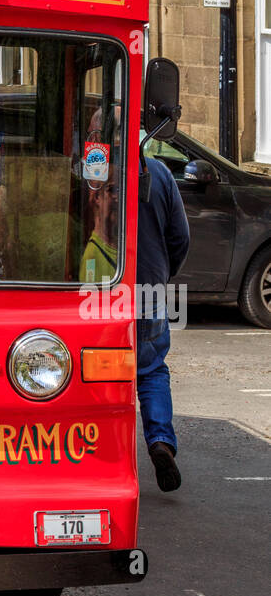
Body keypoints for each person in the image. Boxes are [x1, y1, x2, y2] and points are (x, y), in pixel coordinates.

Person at [136, 153, 190, 492]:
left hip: (94, 287)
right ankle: (160, 440)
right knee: (152, 369)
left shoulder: (90, 171)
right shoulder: (157, 171)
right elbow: (180, 236)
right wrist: (162, 272)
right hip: (148, 286)